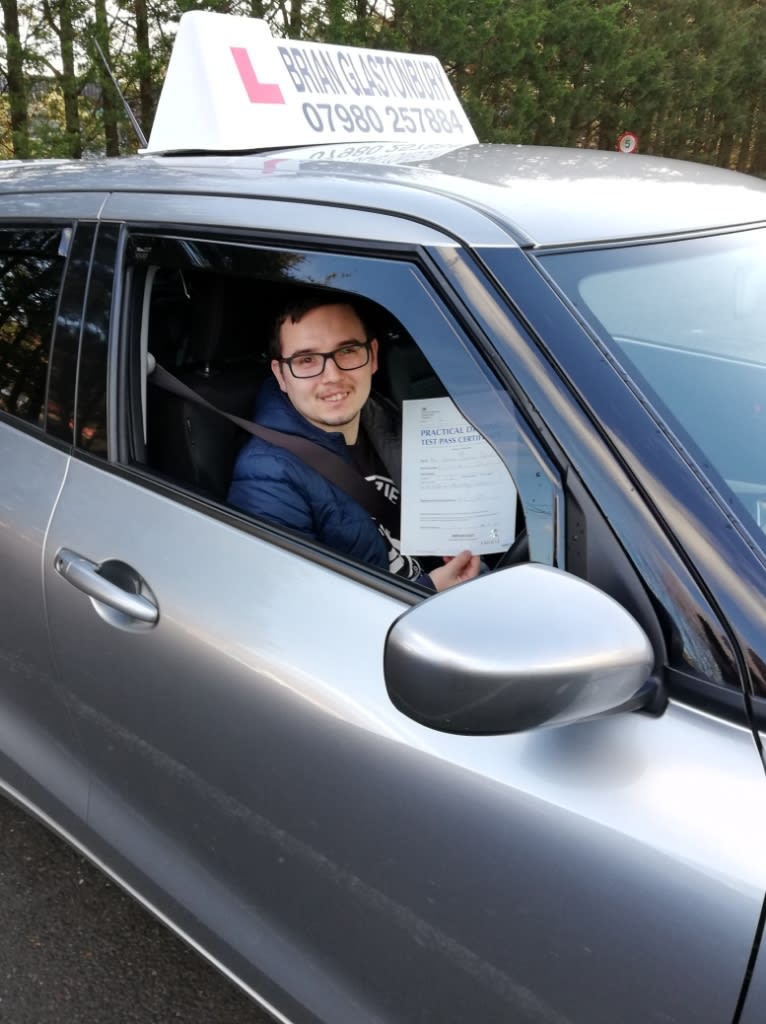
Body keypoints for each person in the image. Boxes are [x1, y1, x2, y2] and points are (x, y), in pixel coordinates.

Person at [227, 291, 480, 592]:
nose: (332, 376)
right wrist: (427, 590)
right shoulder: (268, 480)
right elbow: (293, 615)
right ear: (281, 375)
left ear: (372, 356)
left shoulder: (385, 417)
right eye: (306, 360)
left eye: (346, 351)